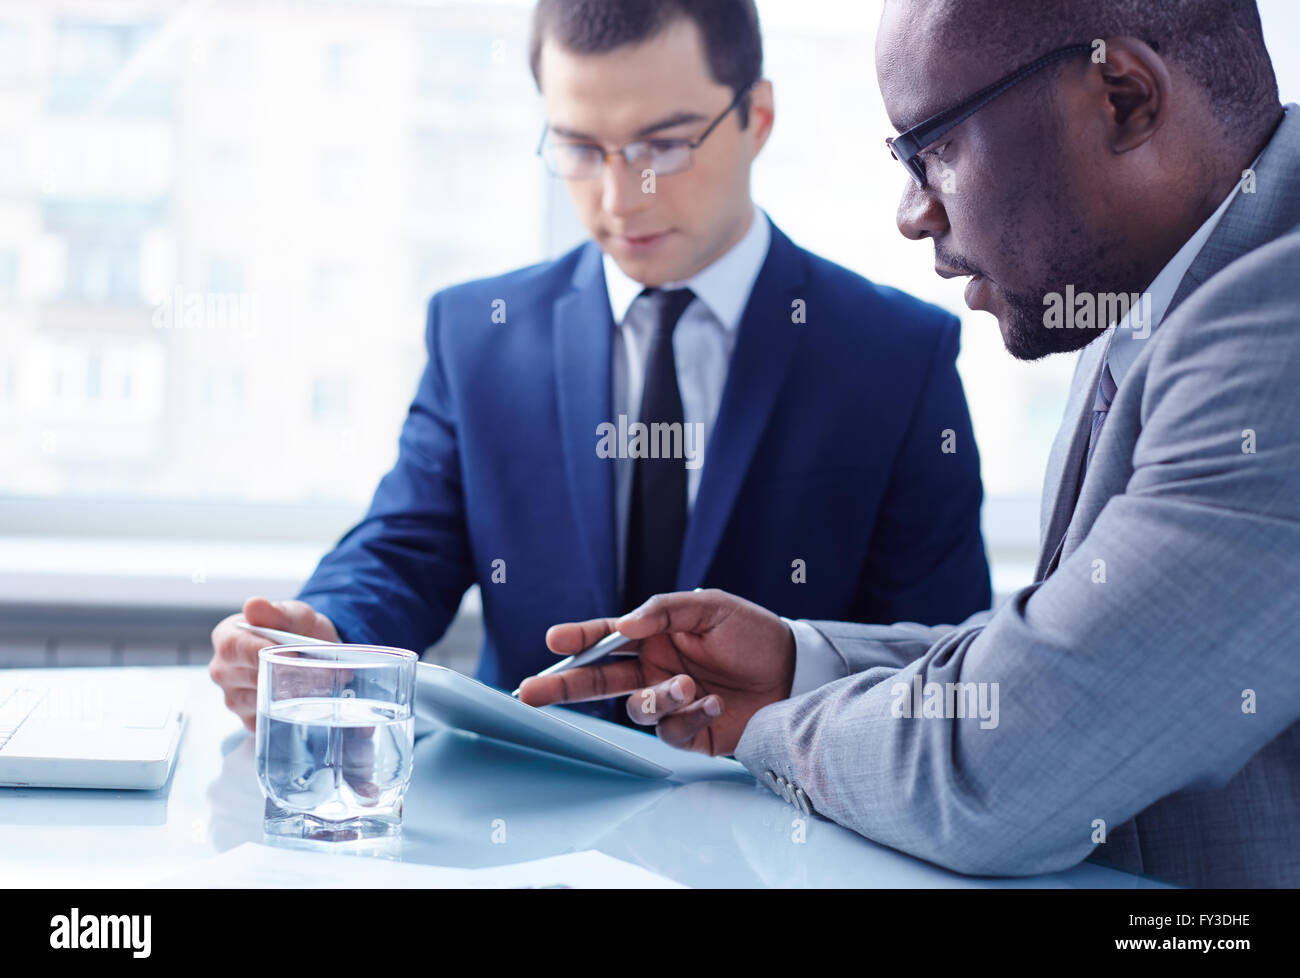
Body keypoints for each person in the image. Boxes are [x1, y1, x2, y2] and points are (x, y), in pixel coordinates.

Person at [522, 0, 1300, 887]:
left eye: (932, 147)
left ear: (1121, 96)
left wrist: (764, 730)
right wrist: (794, 665)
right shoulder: (1158, 296)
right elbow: (1069, 649)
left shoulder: (1275, 327)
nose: (911, 213)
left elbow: (1004, 770)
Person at [208, 0, 992, 731]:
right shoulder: (478, 336)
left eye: (665, 144)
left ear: (757, 119)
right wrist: (326, 633)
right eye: (581, 148)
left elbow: (941, 654)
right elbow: (401, 550)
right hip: (530, 833)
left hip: (785, 836)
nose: (621, 198)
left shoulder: (896, 354)